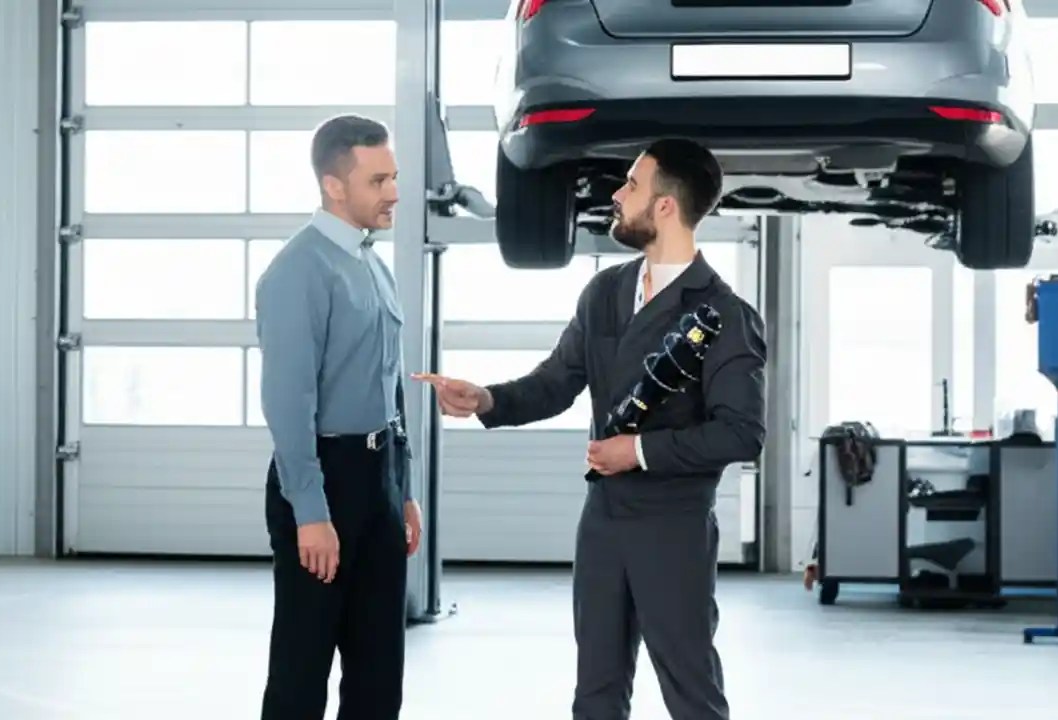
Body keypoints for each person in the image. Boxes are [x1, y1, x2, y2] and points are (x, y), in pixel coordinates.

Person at [415, 138, 766, 720]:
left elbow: (741, 433)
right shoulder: (605, 293)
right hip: (602, 522)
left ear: (664, 208)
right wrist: (486, 399)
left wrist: (640, 450)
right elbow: (558, 380)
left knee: (691, 690)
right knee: (596, 691)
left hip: (673, 527)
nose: (616, 194)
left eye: (631, 185)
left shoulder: (725, 314)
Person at [255, 114, 422, 720]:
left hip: (377, 480)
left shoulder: (373, 265)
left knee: (380, 672)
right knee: (302, 672)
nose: (394, 193)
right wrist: (311, 513)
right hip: (323, 478)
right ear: (334, 185)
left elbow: (388, 381)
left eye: (394, 177)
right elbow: (287, 401)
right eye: (379, 180)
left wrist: (403, 489)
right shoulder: (298, 272)